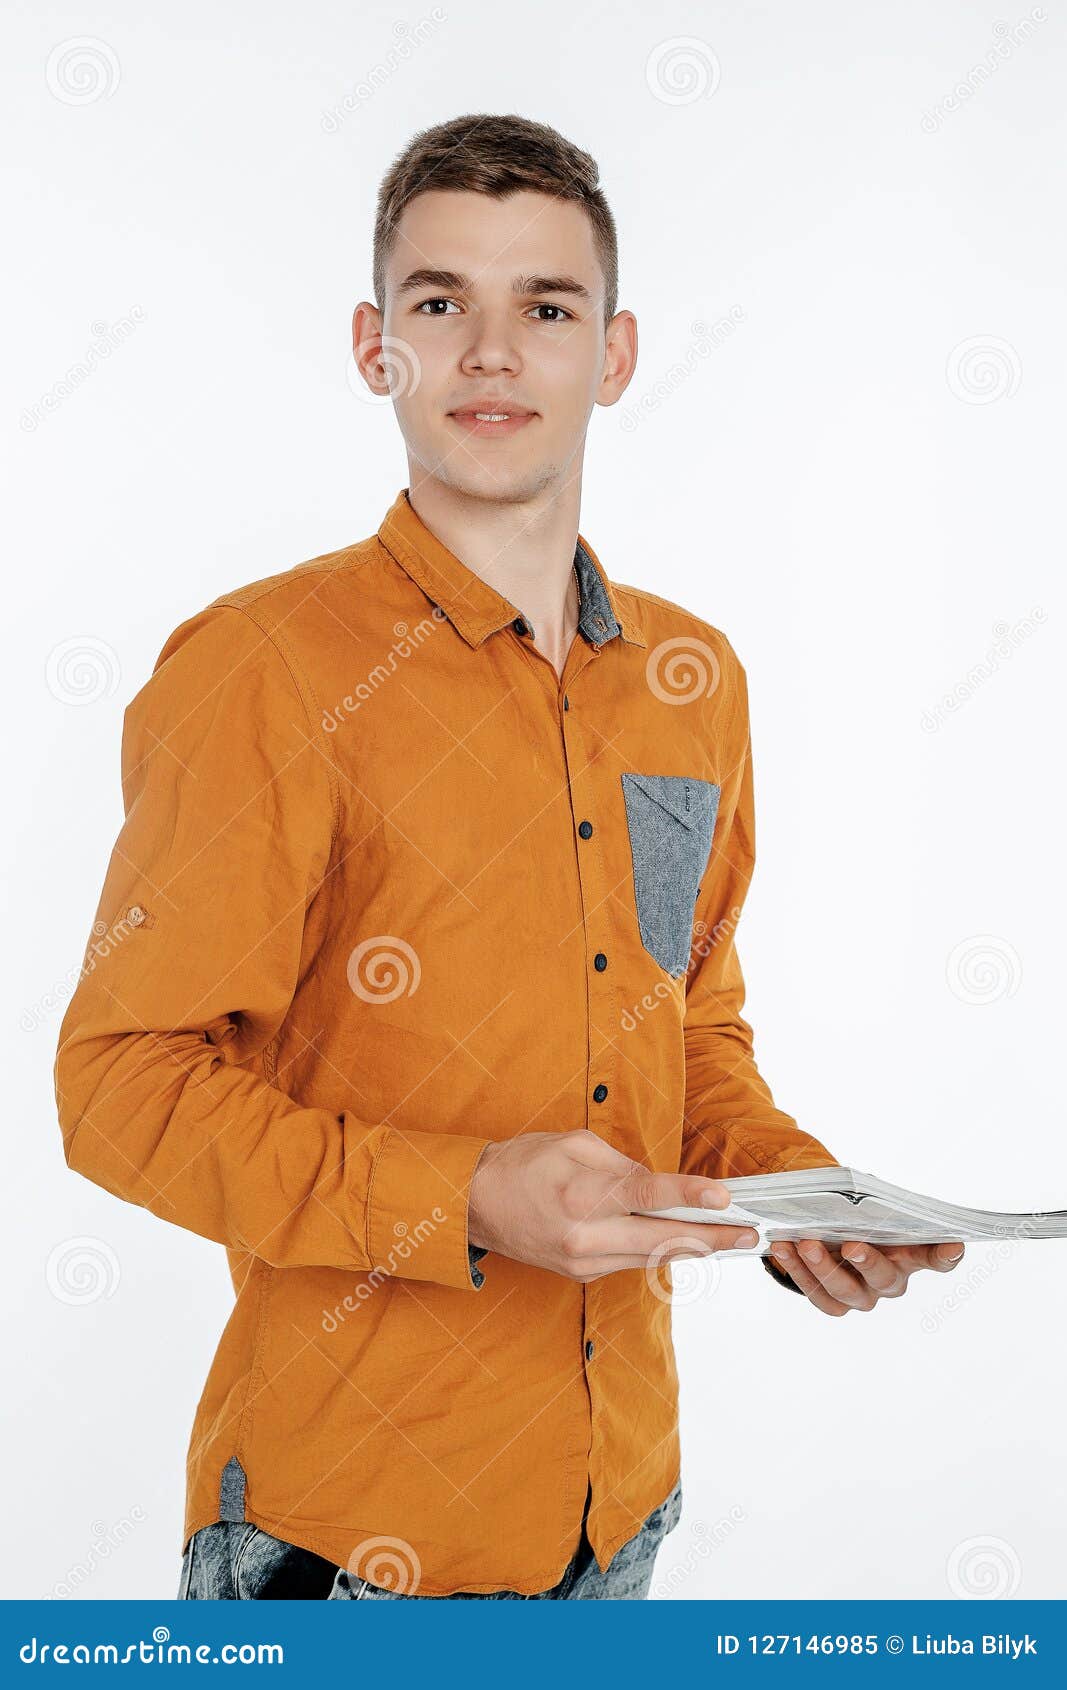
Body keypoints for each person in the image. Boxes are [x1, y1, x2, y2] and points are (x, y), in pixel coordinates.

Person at [53, 112, 965, 1602]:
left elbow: (693, 1028)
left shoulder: (696, 678)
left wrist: (808, 1199)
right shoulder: (260, 670)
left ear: (611, 354)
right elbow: (119, 1084)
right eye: (439, 303)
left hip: (625, 1513)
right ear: (375, 346)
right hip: (343, 1544)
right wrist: (465, 1194)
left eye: (543, 307)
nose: (492, 353)